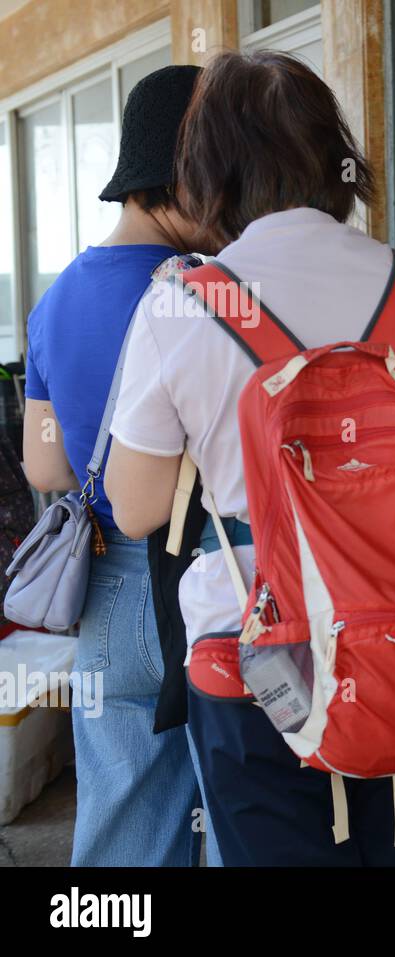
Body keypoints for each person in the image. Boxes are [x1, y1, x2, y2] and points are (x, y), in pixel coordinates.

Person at [105, 50, 395, 865]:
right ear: (338, 159)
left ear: (205, 173)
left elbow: (136, 506)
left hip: (256, 661)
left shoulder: (182, 303)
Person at [20, 65, 214, 866]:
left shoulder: (55, 298)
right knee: (242, 822)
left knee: (122, 842)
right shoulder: (207, 293)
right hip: (207, 583)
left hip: (107, 596)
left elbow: (47, 469)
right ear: (180, 176)